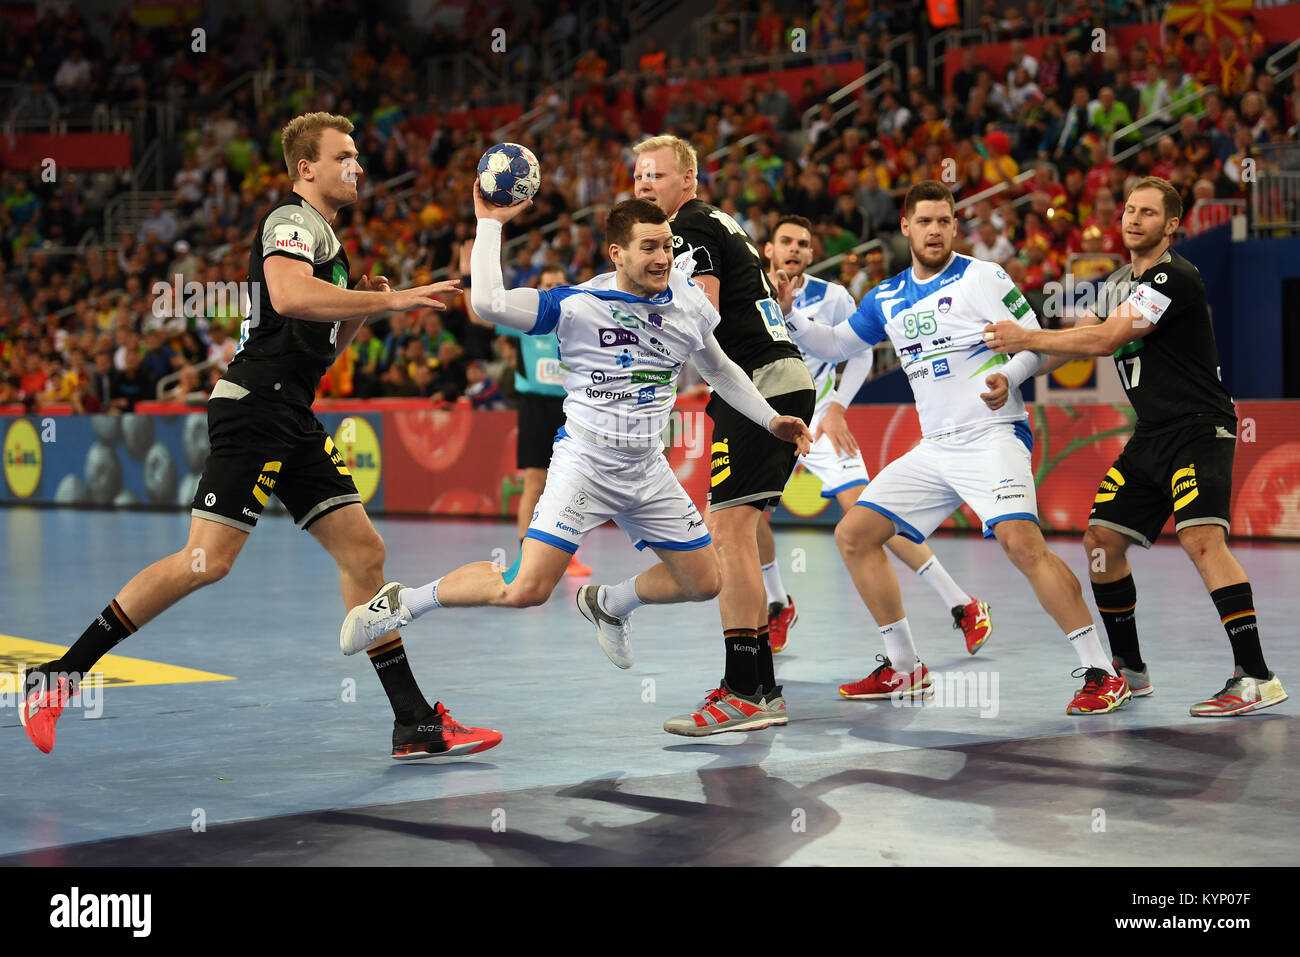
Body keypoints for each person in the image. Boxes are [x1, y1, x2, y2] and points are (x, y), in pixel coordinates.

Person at [18, 112, 500, 761]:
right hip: (256, 406)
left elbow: (316, 343)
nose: (357, 165)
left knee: (364, 553)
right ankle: (58, 676)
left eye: (356, 156)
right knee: (206, 560)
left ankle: (413, 721)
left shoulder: (327, 239)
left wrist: (358, 307)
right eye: (344, 156)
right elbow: (287, 293)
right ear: (307, 167)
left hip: (290, 411)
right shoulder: (290, 221)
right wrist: (389, 302)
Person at [339, 194, 812, 741]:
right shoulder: (578, 305)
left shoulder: (689, 304)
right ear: (617, 253)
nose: (664, 258)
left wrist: (771, 419)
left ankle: (610, 605)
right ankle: (404, 601)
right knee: (525, 589)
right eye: (650, 248)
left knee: (707, 582)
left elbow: (722, 369)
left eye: (668, 246)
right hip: (585, 466)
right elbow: (489, 304)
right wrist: (489, 223)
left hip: (648, 471)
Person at [781, 180, 1129, 714]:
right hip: (935, 448)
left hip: (993, 435)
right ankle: (905, 669)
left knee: (1021, 544)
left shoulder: (982, 276)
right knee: (854, 534)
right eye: (925, 221)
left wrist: (1008, 378)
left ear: (954, 226)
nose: (936, 230)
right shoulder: (887, 296)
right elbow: (834, 344)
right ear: (906, 227)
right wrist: (791, 315)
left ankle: (1103, 672)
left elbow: (1034, 342)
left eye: (944, 221)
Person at [984, 176, 1287, 716]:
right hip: (1152, 433)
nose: (1133, 219)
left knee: (1200, 541)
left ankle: (1256, 676)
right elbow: (1080, 335)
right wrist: (1013, 372)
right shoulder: (1118, 281)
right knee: (1101, 540)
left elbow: (1102, 341)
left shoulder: (1175, 276)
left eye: (1148, 213)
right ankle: (1130, 670)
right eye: (1128, 209)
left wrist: (1024, 335)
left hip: (1199, 426)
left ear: (1171, 225)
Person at [632, 134, 817, 735]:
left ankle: (747, 692)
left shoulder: (687, 227)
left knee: (729, 532)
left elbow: (703, 313)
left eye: (655, 175)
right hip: (774, 379)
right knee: (737, 528)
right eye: (637, 177)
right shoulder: (717, 222)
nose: (643, 185)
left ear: (687, 181)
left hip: (758, 384)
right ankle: (758, 686)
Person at [761, 215, 994, 656]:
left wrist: (837, 408)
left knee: (872, 519)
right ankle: (777, 602)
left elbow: (863, 355)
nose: (794, 249)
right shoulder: (749, 294)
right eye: (786, 242)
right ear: (768, 250)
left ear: (812, 254)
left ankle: (963, 604)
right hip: (769, 424)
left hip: (820, 424)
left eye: (803, 243)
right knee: (746, 517)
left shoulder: (832, 297)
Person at [463, 253, 592, 577]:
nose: (551, 290)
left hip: (571, 408)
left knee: (572, 484)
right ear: (538, 289)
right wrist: (468, 279)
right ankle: (525, 555)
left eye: (557, 285)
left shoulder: (580, 321)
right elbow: (480, 315)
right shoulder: (527, 323)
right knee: (534, 482)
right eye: (546, 285)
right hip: (535, 407)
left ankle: (568, 556)